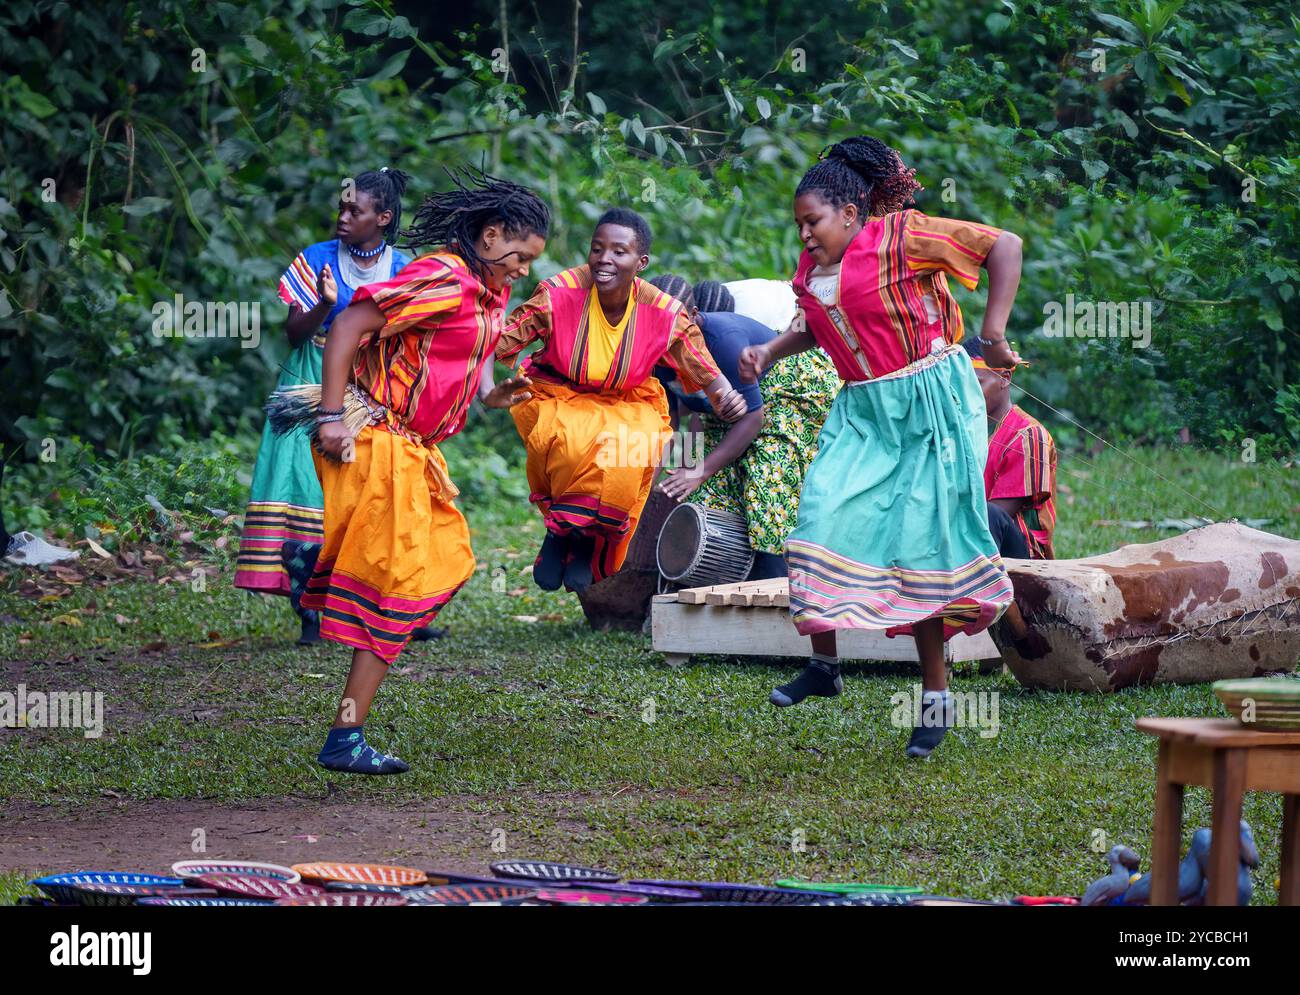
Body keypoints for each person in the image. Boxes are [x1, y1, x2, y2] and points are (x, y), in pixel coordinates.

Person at [739, 137, 1022, 758]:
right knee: (817, 515)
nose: (805, 234)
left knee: (920, 545)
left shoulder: (899, 236)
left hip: (931, 404)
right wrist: (769, 351)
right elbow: (820, 326)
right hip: (864, 409)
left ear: (849, 213)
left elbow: (1004, 245)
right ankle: (824, 666)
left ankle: (936, 700)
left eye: (812, 221)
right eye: (799, 224)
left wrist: (993, 332)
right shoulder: (812, 272)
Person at [272, 168, 549, 774]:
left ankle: (319, 563)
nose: (524, 269)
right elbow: (347, 325)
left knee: (447, 560)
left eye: (530, 261)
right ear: (491, 233)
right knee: (397, 583)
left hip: (415, 448)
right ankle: (345, 735)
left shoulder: (488, 291)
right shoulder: (442, 277)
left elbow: (452, 365)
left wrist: (493, 396)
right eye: (520, 256)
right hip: (375, 437)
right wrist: (329, 418)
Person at [491, 208, 746, 594]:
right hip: (558, 393)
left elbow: (699, 361)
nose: (605, 259)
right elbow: (501, 339)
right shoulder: (559, 293)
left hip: (628, 401)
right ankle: (562, 532)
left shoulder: (662, 311)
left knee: (633, 450)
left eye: (619, 252)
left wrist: (725, 396)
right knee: (573, 441)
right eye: (598, 249)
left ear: (640, 262)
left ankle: (584, 542)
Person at [235, 168, 412, 646]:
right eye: (342, 207)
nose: (343, 216)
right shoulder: (316, 260)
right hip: (310, 374)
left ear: (384, 217)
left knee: (375, 486)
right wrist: (322, 304)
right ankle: (310, 610)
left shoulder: (405, 267)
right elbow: (293, 332)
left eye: (355, 210)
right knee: (309, 491)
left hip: (373, 381)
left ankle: (393, 607)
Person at [652, 276, 840, 581]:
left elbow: (754, 418)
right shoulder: (654, 353)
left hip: (786, 394)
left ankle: (779, 587)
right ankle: (720, 593)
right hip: (730, 411)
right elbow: (667, 424)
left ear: (695, 316)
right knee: (707, 498)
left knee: (766, 482)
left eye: (674, 327)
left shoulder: (721, 340)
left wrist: (700, 468)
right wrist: (649, 485)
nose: (665, 339)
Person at [964, 337, 1057, 559]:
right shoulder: (962, 429)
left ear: (1005, 378)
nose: (968, 395)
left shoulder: (1029, 434)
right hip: (968, 535)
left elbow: (996, 516)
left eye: (977, 384)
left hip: (1022, 554)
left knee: (988, 515)